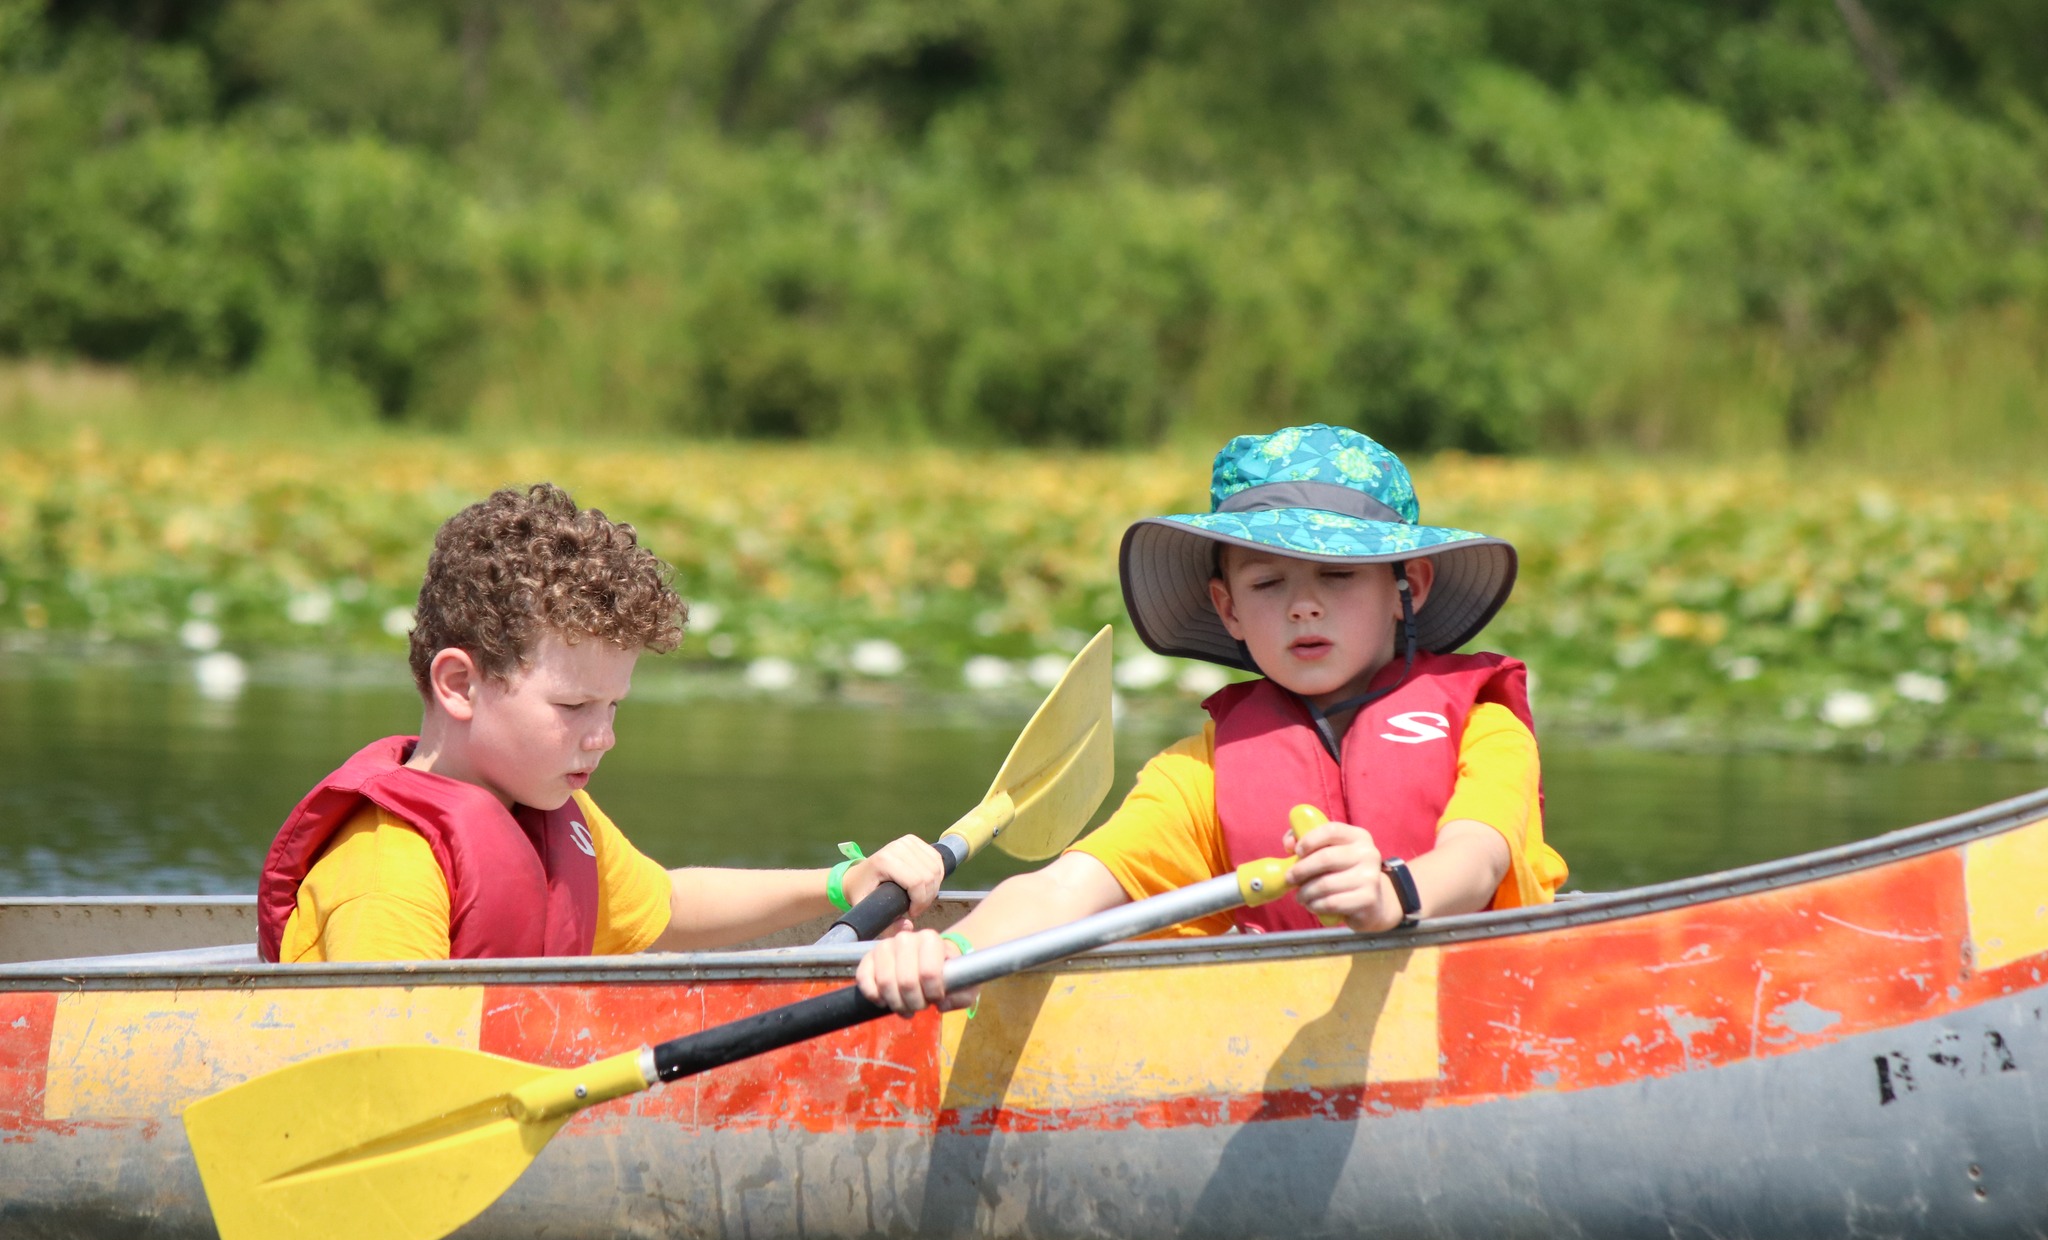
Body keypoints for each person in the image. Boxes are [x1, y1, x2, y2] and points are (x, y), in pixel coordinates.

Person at [858, 423, 1567, 1014]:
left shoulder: (1485, 725)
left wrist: (1392, 894)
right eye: (1268, 582)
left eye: (1339, 574)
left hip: (1483, 1011)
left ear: (1405, 586)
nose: (1303, 606)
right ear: (1228, 608)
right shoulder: (1199, 771)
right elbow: (1065, 888)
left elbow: (1476, 859)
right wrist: (952, 951)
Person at [258, 484, 943, 962]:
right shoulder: (390, 869)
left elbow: (666, 905)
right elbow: (383, 1068)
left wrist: (837, 884)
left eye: (613, 706)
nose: (603, 735)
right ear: (460, 684)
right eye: (573, 707)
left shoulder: (550, 810)